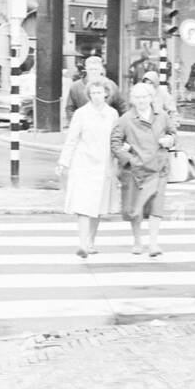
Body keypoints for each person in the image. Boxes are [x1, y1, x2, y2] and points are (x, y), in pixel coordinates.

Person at [111, 82, 179, 257]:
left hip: (159, 168)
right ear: (132, 100)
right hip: (137, 171)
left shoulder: (162, 116)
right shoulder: (125, 119)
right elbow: (115, 144)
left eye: (144, 97)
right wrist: (131, 160)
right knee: (136, 207)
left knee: (157, 206)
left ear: (151, 98)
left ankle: (154, 243)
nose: (141, 101)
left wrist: (169, 140)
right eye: (137, 97)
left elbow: (173, 133)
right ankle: (137, 241)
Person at [56, 76, 121, 258]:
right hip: (84, 164)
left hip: (104, 165)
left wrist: (118, 160)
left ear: (106, 93)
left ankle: (91, 241)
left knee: (98, 207)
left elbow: (116, 139)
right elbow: (72, 139)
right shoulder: (81, 114)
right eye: (93, 93)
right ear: (89, 95)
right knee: (84, 205)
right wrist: (64, 162)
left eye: (99, 92)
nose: (96, 96)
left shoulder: (112, 114)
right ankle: (83, 244)